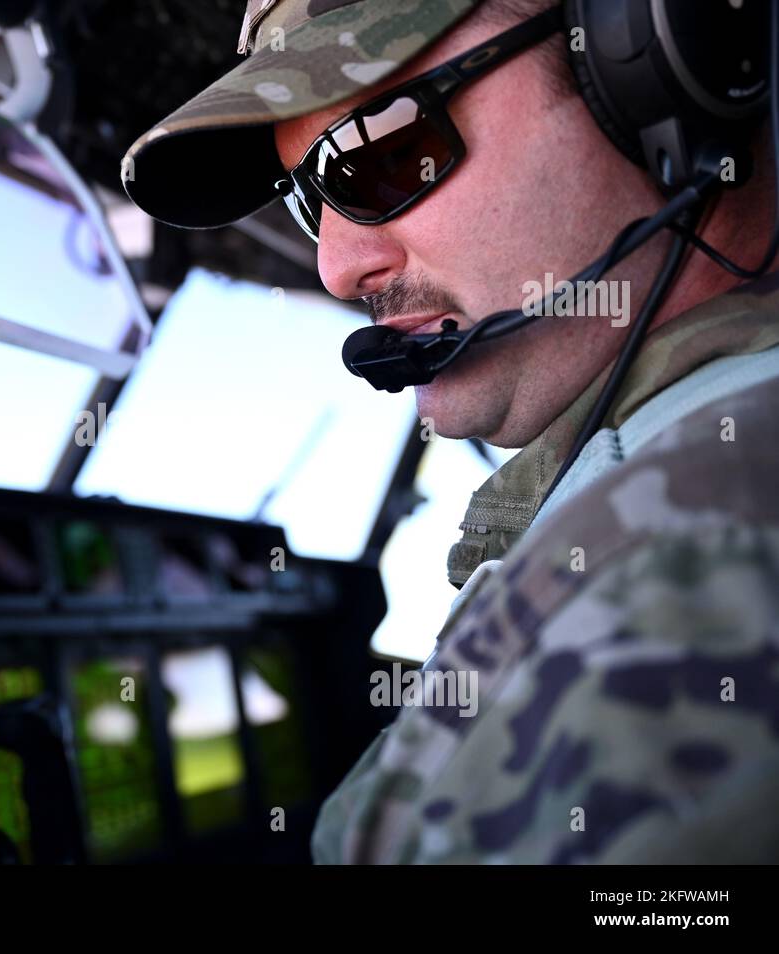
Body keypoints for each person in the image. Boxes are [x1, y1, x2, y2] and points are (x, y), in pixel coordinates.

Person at [120, 0, 779, 863]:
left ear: (660, 54)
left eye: (380, 149)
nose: (339, 266)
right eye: (311, 199)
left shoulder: (671, 571)